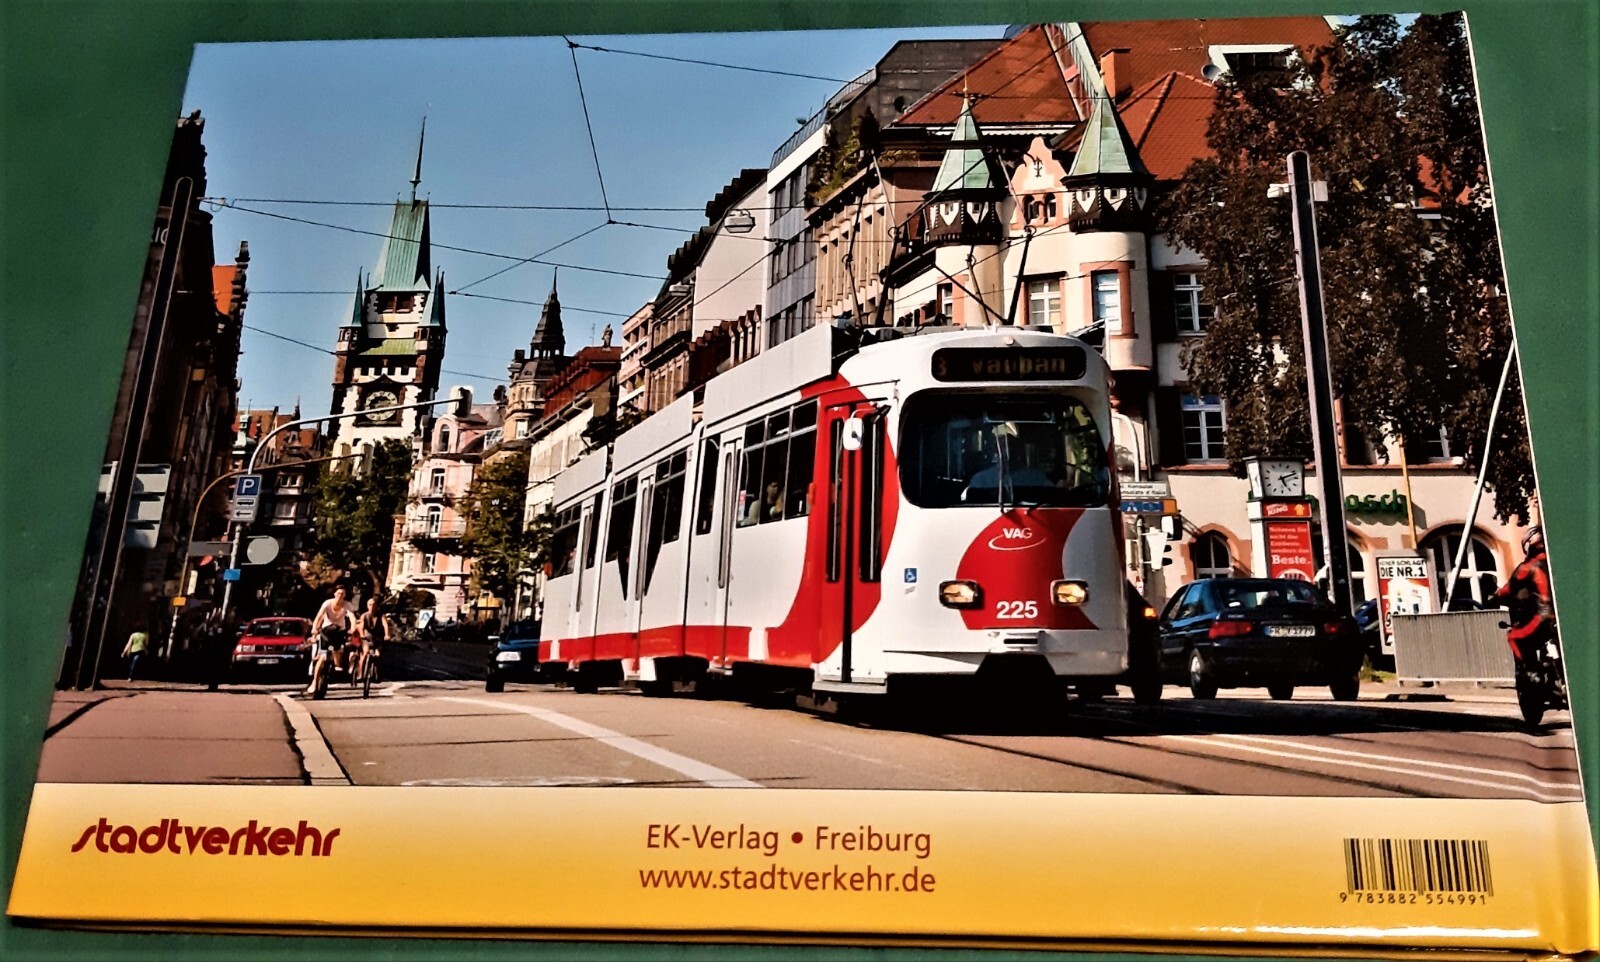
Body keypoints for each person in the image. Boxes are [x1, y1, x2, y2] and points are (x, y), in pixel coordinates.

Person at [1492, 526, 1557, 669]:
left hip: (1544, 617)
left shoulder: (1528, 567)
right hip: (1562, 615)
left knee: (1514, 637)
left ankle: (1531, 673)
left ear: (1529, 545)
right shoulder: (1557, 562)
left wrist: (1495, 597)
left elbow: (1508, 589)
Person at [307, 585, 356, 695]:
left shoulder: (347, 605)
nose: (340, 596)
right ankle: (314, 682)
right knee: (322, 656)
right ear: (334, 594)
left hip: (339, 632)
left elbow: (352, 618)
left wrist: (353, 629)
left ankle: (337, 664)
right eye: (338, 593)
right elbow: (319, 617)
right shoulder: (327, 603)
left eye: (342, 594)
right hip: (326, 631)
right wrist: (315, 628)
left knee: (339, 648)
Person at [354, 596, 389, 687]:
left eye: (373, 605)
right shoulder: (364, 616)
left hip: (378, 638)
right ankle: (360, 674)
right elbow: (361, 626)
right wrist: (362, 634)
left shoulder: (381, 615)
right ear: (367, 606)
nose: (372, 607)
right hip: (367, 638)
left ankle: (376, 672)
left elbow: (385, 625)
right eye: (370, 605)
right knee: (365, 653)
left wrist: (386, 634)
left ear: (377, 606)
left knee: (377, 655)